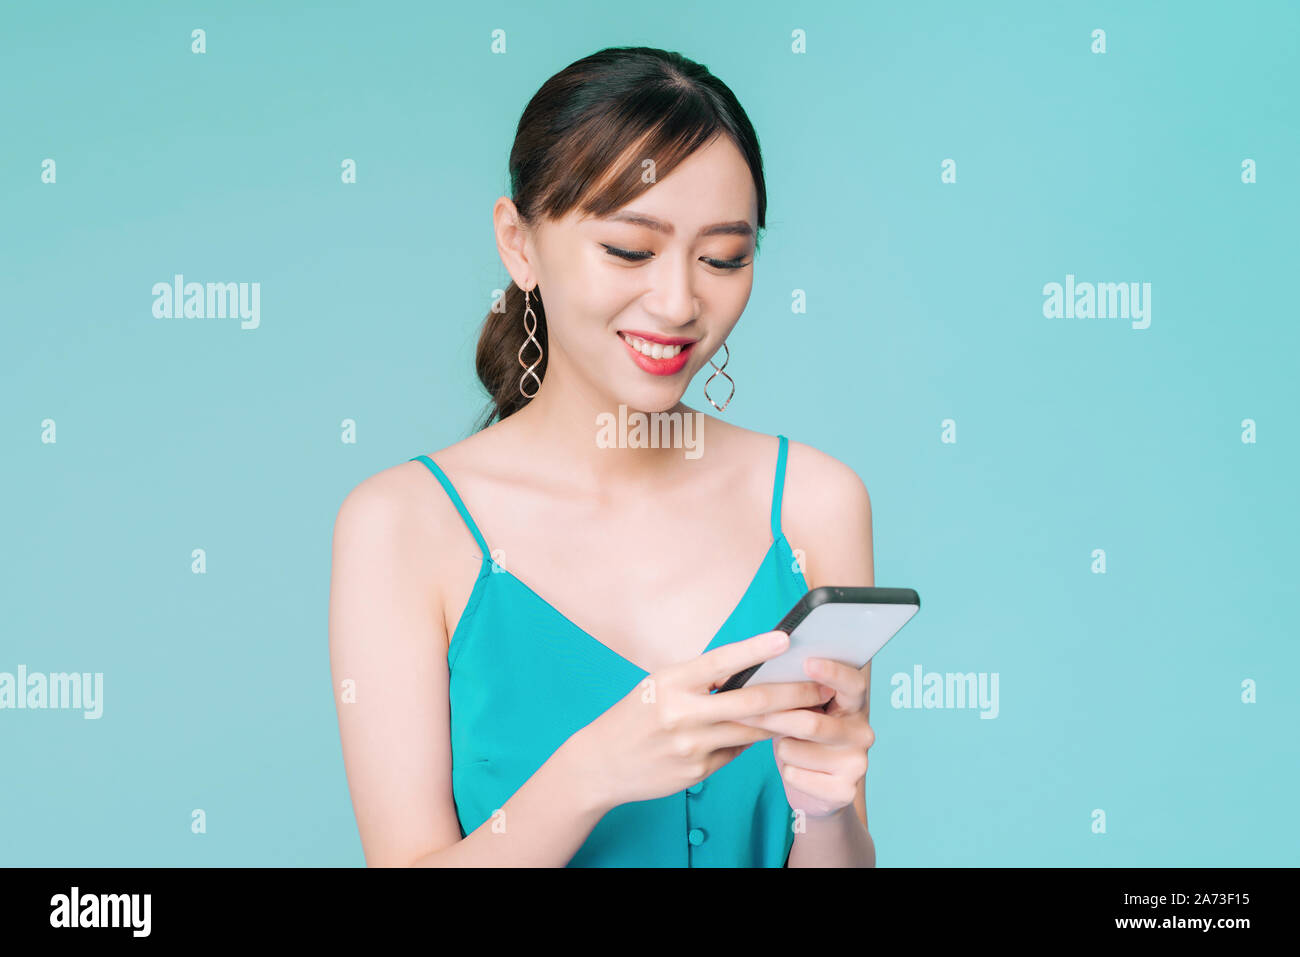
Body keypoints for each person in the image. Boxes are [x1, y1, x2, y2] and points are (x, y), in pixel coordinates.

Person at [329, 46, 877, 867]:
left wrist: (828, 809)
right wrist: (591, 772)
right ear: (519, 244)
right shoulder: (402, 525)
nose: (680, 302)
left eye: (724, 257)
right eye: (629, 250)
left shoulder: (815, 502)